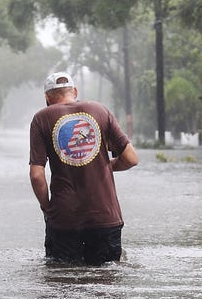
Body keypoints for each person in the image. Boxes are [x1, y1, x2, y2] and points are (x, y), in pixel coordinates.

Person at [29, 72, 139, 265]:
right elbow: (131, 159)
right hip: (105, 217)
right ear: (75, 91)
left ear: (47, 97)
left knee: (61, 278)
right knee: (107, 278)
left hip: (64, 219)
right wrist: (104, 166)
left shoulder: (41, 119)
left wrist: (47, 208)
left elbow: (37, 175)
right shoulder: (100, 111)